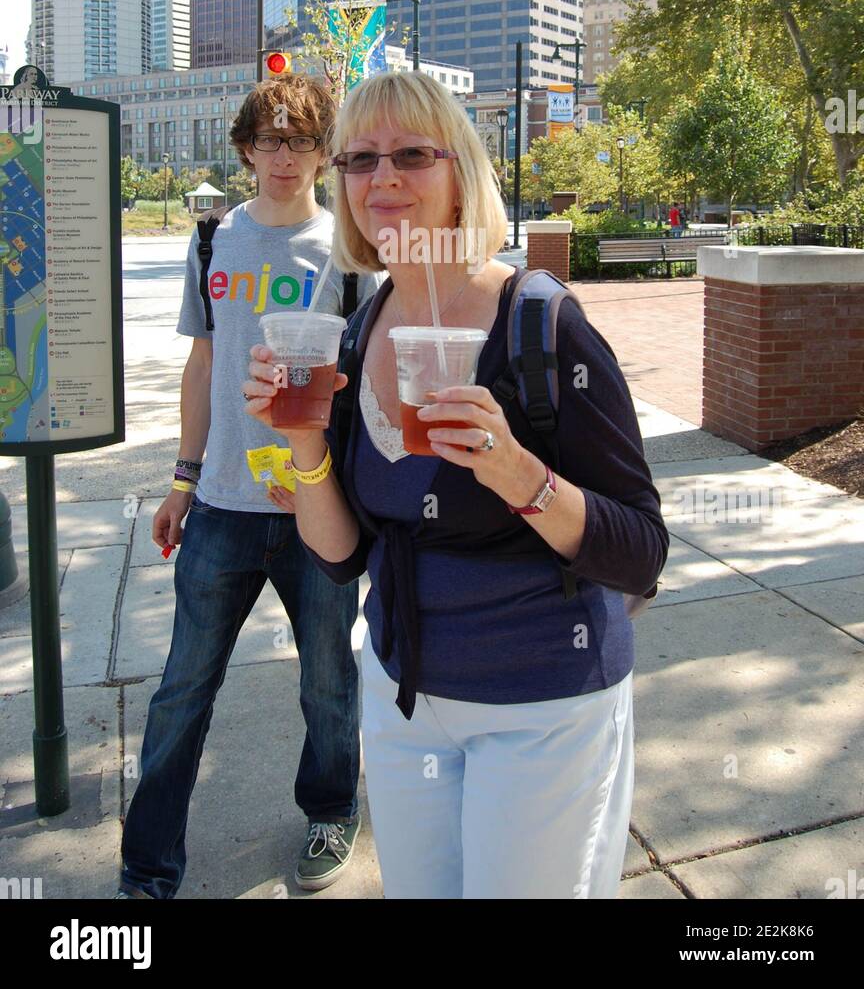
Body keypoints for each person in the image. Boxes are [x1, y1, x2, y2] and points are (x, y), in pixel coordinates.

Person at [243, 71, 668, 900]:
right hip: (404, 702)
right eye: (360, 160)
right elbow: (339, 559)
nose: (384, 178)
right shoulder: (360, 330)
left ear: (459, 172)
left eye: (411, 154)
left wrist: (517, 472)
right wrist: (302, 443)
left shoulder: (539, 323)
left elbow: (642, 552)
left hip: (541, 701)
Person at [115, 76, 381, 900]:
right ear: (244, 149)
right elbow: (202, 367)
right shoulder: (214, 243)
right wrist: (182, 480)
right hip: (225, 506)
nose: (284, 156)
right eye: (269, 140)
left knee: (329, 679)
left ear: (323, 152)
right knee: (181, 692)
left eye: (301, 141)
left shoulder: (346, 250)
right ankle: (148, 869)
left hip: (316, 505)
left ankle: (330, 811)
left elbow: (369, 377)